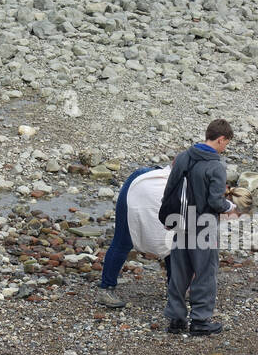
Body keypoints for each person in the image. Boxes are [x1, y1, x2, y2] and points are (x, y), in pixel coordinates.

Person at [159, 119, 238, 336]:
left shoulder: (183, 156)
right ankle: (201, 321)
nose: (225, 148)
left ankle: (176, 319)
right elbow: (215, 202)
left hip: (181, 221)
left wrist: (168, 217)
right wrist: (230, 205)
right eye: (226, 144)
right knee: (204, 272)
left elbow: (170, 188)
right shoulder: (216, 166)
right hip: (203, 225)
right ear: (220, 139)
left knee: (179, 271)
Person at [95, 165, 174, 309]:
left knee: (172, 239)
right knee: (124, 240)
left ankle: (175, 289)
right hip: (143, 187)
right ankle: (105, 290)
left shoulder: (193, 164)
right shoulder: (198, 176)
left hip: (145, 181)